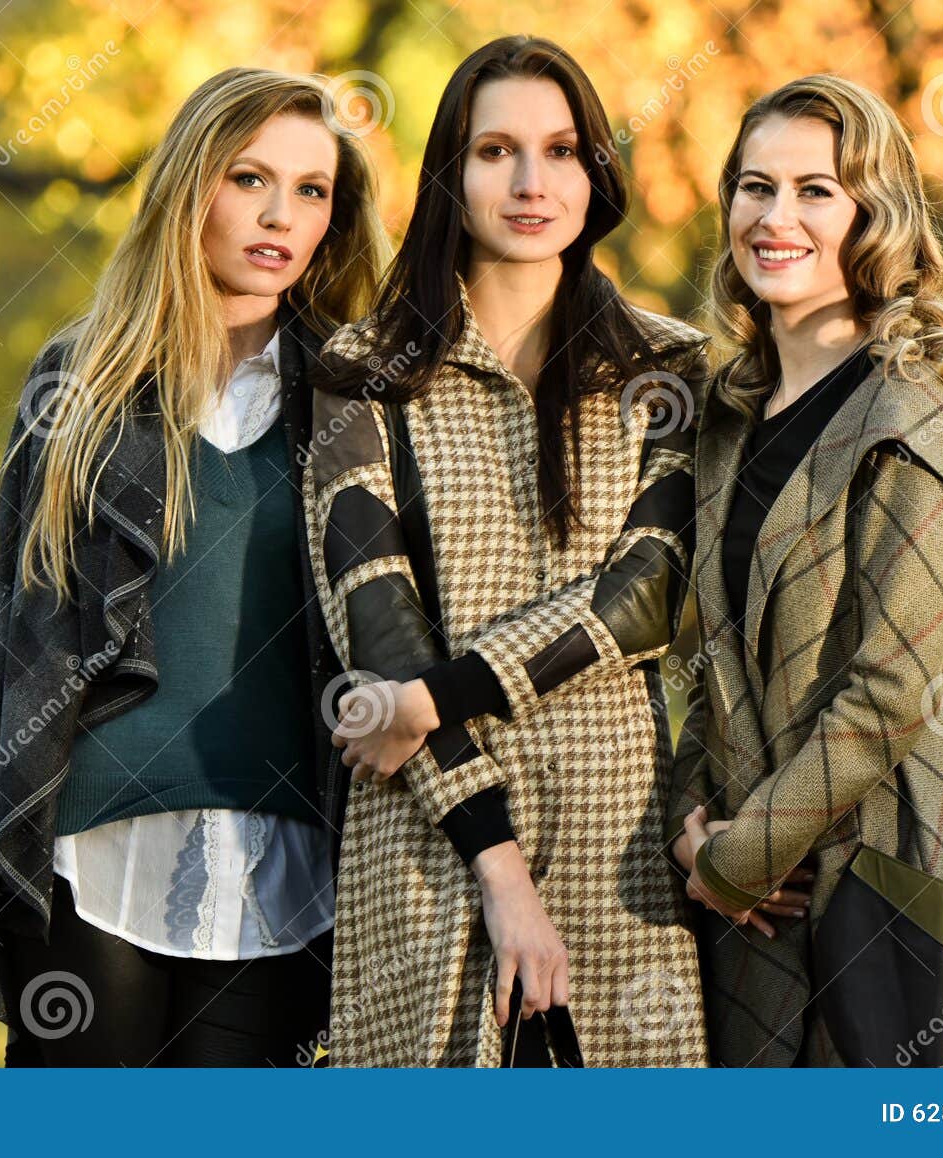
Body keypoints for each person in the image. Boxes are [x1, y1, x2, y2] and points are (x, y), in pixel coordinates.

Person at [0, 67, 390, 1066]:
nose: (280, 215)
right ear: (187, 188)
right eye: (248, 179)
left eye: (311, 189)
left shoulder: (361, 396)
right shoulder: (77, 382)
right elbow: (15, 651)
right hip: (83, 861)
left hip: (291, 874)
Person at [302, 36, 761, 1066]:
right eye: (494, 150)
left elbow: (642, 599)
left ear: (595, 172)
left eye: (559, 151)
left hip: (616, 858)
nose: (529, 182)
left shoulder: (668, 364)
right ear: (448, 176)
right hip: (424, 844)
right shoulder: (360, 372)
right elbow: (376, 624)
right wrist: (497, 865)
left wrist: (427, 697)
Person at [667, 74, 943, 1067]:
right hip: (747, 921)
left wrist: (738, 857)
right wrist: (687, 829)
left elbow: (897, 687)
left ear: (870, 217)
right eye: (755, 187)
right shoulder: (720, 425)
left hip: (893, 900)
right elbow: (699, 664)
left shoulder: (912, 417)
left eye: (814, 190)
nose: (775, 216)